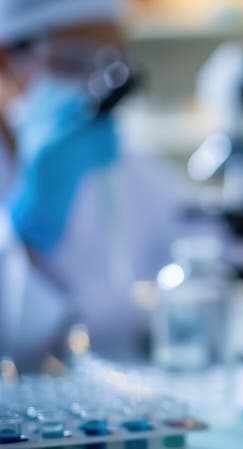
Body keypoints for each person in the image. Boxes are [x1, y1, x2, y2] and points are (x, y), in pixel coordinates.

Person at [0, 0, 204, 371]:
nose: (95, 84)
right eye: (76, 62)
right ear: (4, 60)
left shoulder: (125, 163)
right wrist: (28, 231)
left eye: (111, 65)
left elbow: (211, 240)